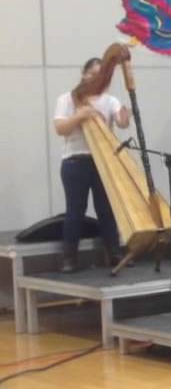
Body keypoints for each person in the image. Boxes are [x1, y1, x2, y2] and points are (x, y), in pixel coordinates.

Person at [52, 57, 132, 272]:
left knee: (106, 209)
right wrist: (81, 115)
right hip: (75, 161)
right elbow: (60, 129)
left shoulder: (110, 100)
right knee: (75, 210)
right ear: (84, 73)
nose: (97, 78)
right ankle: (69, 258)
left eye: (102, 75)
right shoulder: (67, 99)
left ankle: (114, 253)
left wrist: (125, 118)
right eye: (93, 73)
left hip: (103, 162)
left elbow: (122, 123)